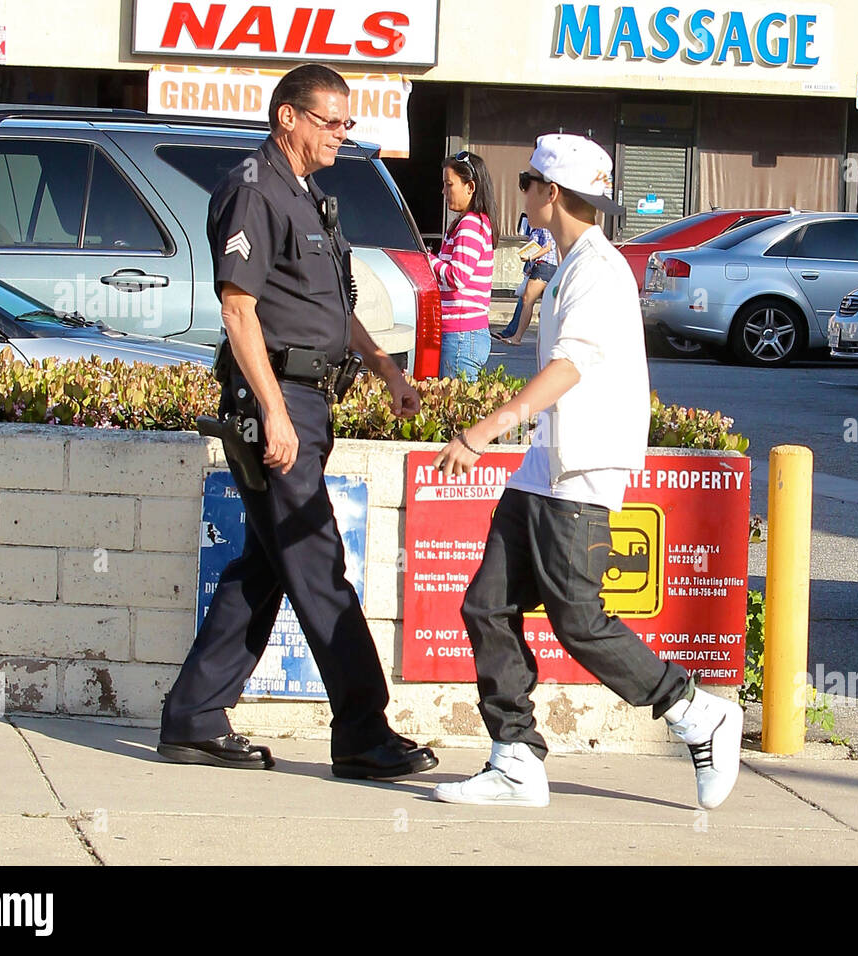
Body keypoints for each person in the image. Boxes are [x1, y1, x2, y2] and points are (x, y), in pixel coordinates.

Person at [430, 134, 743, 810]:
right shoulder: (570, 262)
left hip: (580, 474)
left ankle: (695, 711)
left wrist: (484, 431)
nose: (520, 194)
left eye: (525, 182)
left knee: (580, 621)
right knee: (487, 605)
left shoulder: (598, 271)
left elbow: (568, 368)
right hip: (545, 468)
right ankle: (515, 759)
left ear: (550, 193)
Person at [158, 64, 438, 780]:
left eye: (347, 124)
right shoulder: (253, 188)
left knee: (269, 563)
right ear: (288, 117)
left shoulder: (307, 193)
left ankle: (193, 718)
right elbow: (239, 309)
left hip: (308, 400)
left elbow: (329, 306)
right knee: (317, 561)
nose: (342, 136)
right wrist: (276, 413)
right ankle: (363, 733)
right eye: (331, 122)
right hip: (273, 402)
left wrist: (384, 367)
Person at [430, 150, 495, 380]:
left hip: (461, 334)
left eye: (449, 185)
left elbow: (457, 277)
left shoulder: (469, 224)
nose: (444, 192)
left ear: (470, 187)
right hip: (464, 334)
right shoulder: (472, 222)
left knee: (454, 409)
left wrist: (428, 260)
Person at [495, 216, 557, 346]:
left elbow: (548, 247)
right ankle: (548, 339)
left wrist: (530, 257)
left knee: (527, 301)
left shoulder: (544, 223)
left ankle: (517, 337)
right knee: (547, 305)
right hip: (546, 266)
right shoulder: (543, 224)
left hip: (543, 266)